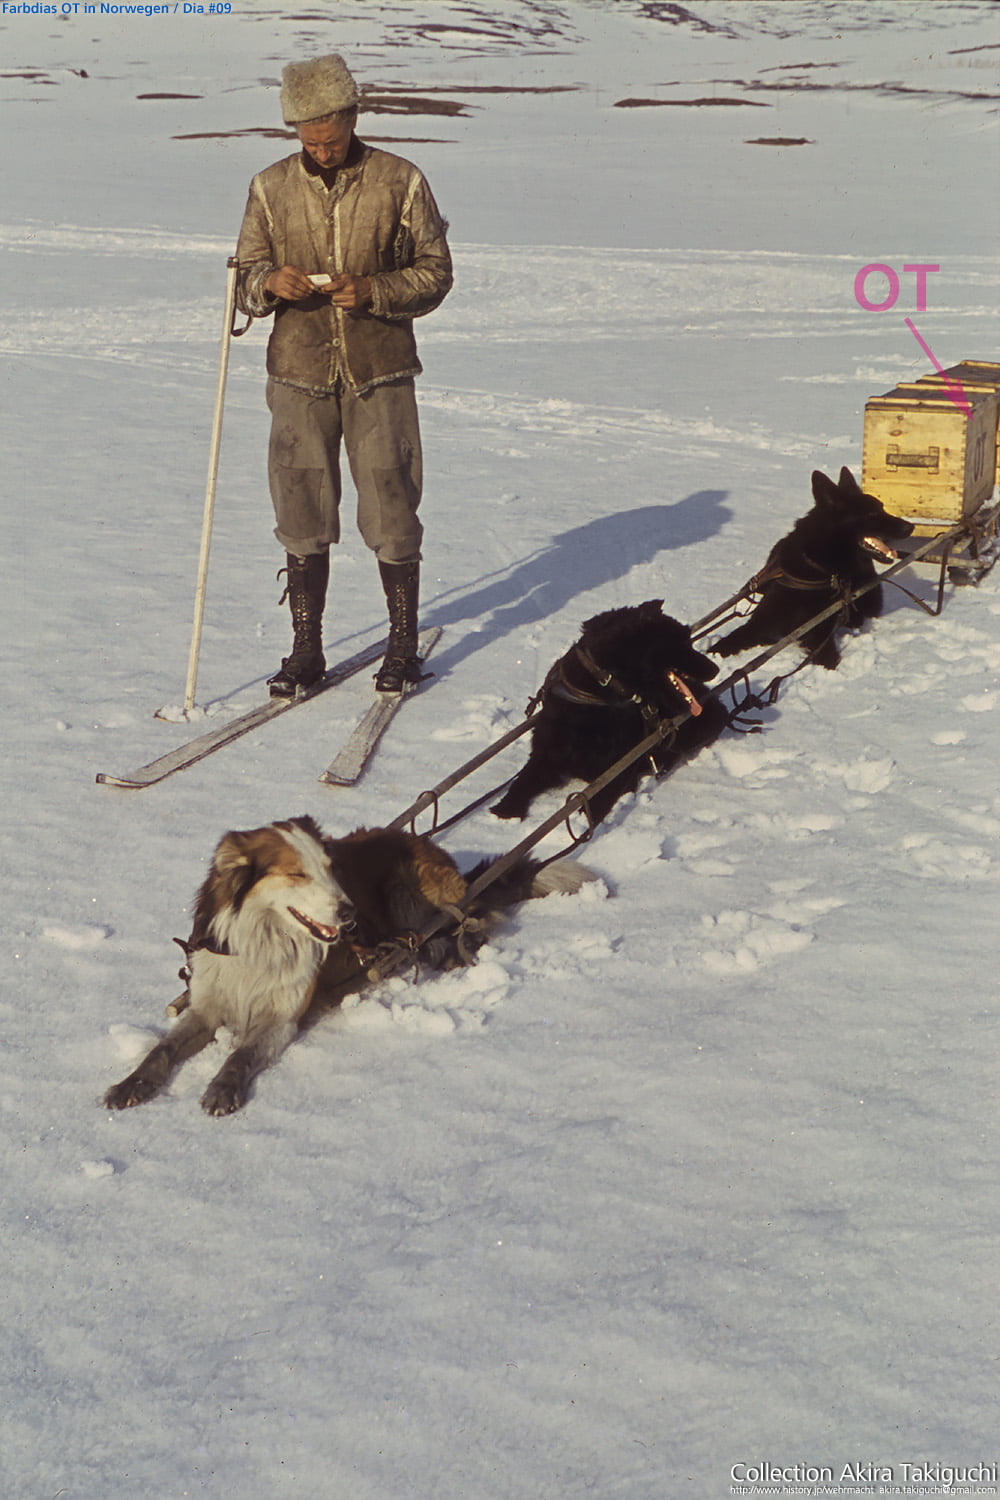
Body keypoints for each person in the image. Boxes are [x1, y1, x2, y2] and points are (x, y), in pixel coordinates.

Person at [234, 53, 453, 696]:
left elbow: (436, 272)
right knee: (300, 508)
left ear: (354, 117)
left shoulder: (400, 180)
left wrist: (375, 291)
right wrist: (269, 282)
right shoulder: (269, 187)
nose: (323, 151)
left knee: (392, 505)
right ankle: (306, 651)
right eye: (310, 141)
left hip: (380, 372)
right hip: (298, 375)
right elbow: (242, 278)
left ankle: (403, 646)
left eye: (332, 139)